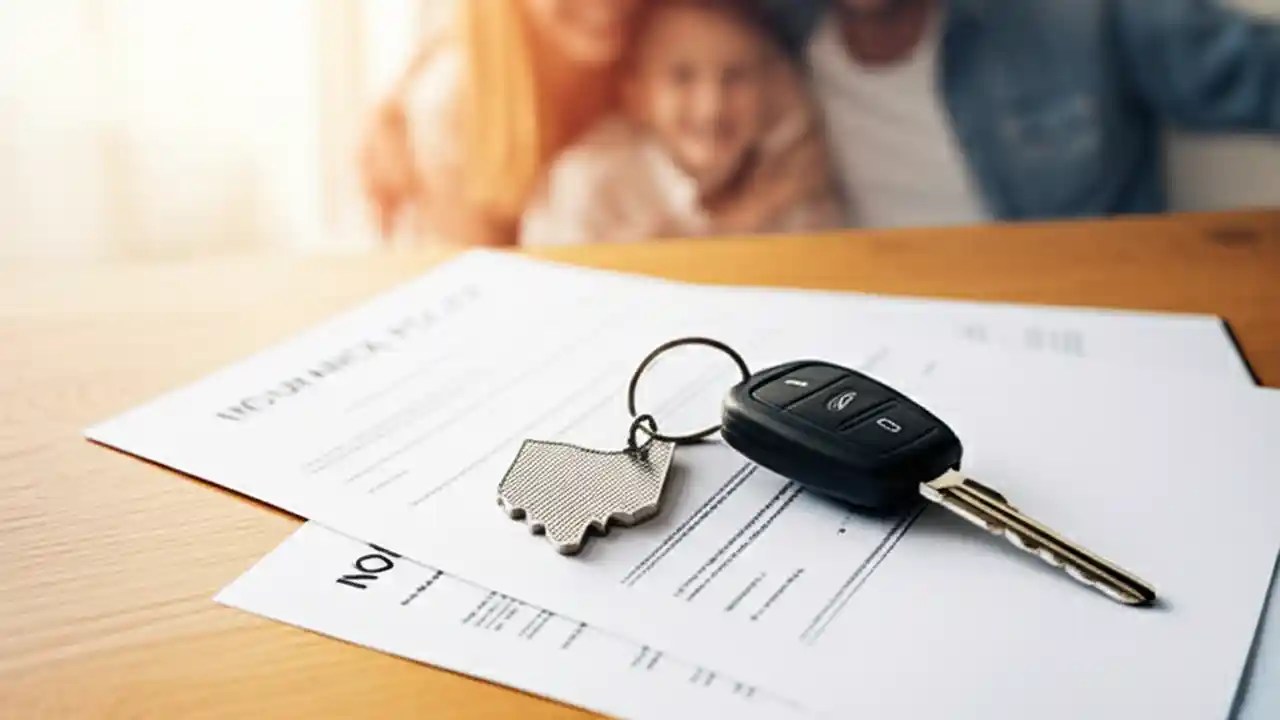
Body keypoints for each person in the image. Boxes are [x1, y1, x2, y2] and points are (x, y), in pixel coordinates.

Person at [763, 0, 1280, 227]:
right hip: (870, 340)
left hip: (1088, 329)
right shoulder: (764, 33)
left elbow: (1260, 71)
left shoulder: (1076, 14)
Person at [520, 0, 840, 246]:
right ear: (637, 95)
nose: (711, 105)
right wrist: (748, 216)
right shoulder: (591, 185)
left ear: (770, 87)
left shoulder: (793, 183)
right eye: (681, 77)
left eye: (736, 76)